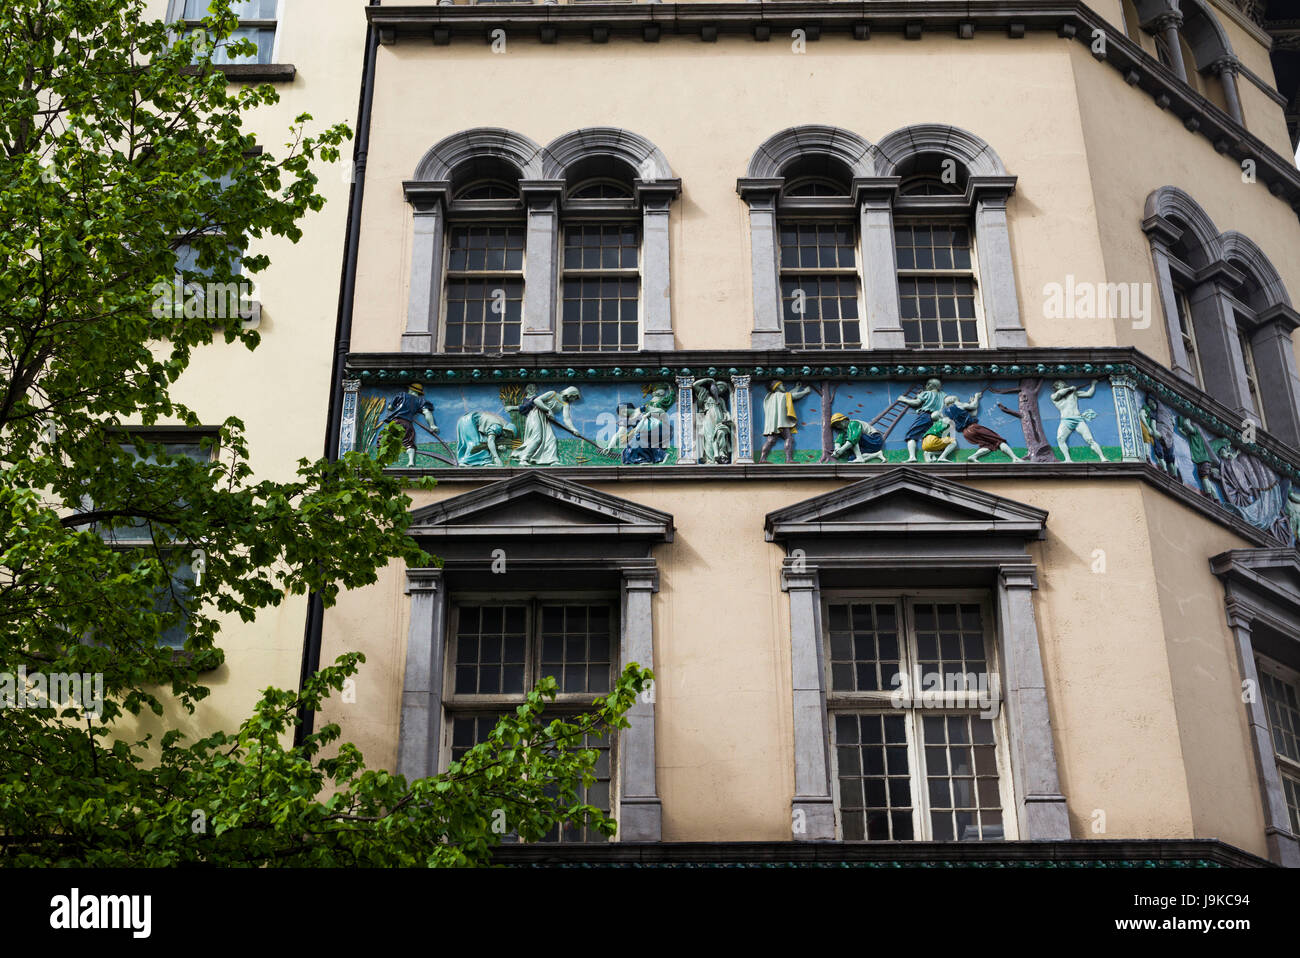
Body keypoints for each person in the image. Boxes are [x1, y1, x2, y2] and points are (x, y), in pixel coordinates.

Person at [508, 385, 581, 466]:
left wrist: (573, 430)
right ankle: (524, 459)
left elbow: (566, 419)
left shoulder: (565, 404)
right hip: (535, 414)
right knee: (537, 437)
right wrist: (548, 410)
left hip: (545, 419)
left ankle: (553, 460)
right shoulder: (553, 394)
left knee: (551, 439)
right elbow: (537, 401)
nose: (574, 400)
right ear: (569, 394)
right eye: (574, 397)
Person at [941, 392, 1022, 463]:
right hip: (974, 428)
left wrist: (971, 402)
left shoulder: (948, 412)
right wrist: (977, 397)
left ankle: (974, 456)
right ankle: (1015, 458)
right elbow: (973, 406)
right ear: (951, 400)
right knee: (999, 440)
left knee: (988, 446)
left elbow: (973, 414)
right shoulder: (958, 404)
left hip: (966, 433)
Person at [379, 382, 438, 467]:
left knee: (385, 439)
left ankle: (385, 461)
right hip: (407, 423)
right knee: (408, 442)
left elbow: (390, 408)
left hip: (395, 422)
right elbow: (427, 412)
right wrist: (432, 425)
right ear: (419, 393)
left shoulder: (402, 395)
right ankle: (411, 462)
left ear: (410, 389)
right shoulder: (421, 400)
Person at [1050, 380, 1108, 462]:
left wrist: (1093, 384)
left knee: (1089, 439)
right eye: (1060, 384)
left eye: (1063, 383)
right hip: (1066, 420)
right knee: (1060, 439)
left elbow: (1088, 394)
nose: (1063, 385)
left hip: (1078, 419)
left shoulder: (1073, 393)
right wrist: (1070, 388)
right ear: (1056, 387)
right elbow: (1059, 394)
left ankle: (1102, 457)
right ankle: (1068, 459)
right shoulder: (1053, 396)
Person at [758, 380, 811, 464]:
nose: (784, 387)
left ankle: (762, 458)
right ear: (778, 386)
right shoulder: (782, 396)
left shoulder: (770, 397)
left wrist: (796, 388)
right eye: (782, 385)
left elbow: (788, 395)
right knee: (789, 438)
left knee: (770, 440)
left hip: (773, 423)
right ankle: (788, 459)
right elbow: (792, 396)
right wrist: (805, 391)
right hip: (782, 422)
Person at [898, 379, 946, 462]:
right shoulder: (944, 395)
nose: (926, 387)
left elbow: (916, 403)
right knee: (932, 437)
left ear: (930, 385)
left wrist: (904, 399)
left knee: (911, 435)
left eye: (927, 385)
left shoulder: (926, 393)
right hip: (938, 418)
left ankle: (912, 457)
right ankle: (933, 456)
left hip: (926, 416)